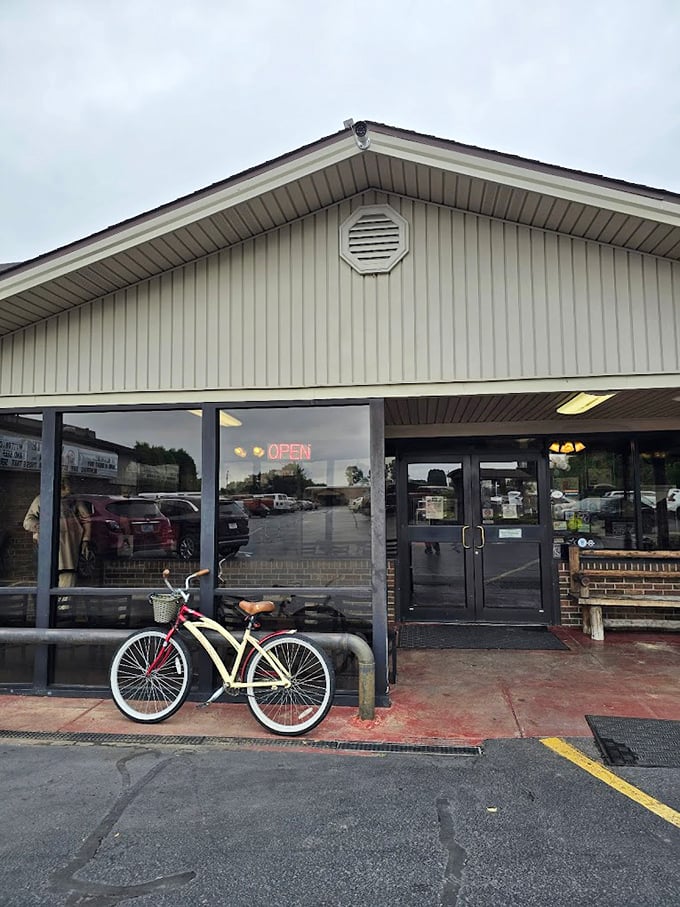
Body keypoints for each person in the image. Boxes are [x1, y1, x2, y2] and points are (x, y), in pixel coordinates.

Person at [23, 478, 91, 588]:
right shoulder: (42, 499)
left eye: (68, 483)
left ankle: (63, 604)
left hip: (70, 550)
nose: (67, 487)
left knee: (67, 582)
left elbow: (86, 520)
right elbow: (28, 521)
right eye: (64, 484)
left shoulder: (75, 500)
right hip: (49, 549)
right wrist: (42, 527)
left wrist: (85, 540)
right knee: (47, 584)